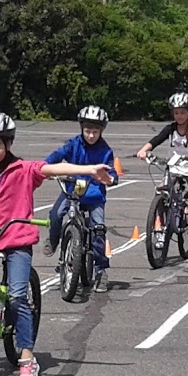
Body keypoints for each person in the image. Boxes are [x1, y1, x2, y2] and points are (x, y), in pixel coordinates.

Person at [0, 111, 114, 376]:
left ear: (8, 144)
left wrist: (89, 169)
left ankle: (27, 356)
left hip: (18, 241)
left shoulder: (23, 170)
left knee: (16, 296)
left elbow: (53, 169)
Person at [135, 92, 188, 258]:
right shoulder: (171, 129)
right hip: (174, 167)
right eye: (176, 112)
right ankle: (159, 230)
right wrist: (144, 150)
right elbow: (156, 139)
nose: (179, 116)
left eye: (182, 112)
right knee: (161, 193)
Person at [46, 105, 119, 292]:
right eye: (87, 131)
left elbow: (112, 171)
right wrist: (44, 166)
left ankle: (101, 270)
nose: (91, 135)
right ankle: (54, 240)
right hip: (72, 191)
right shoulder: (74, 144)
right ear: (81, 129)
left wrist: (111, 179)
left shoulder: (105, 151)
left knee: (99, 229)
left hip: (94, 195)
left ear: (101, 131)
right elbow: (58, 155)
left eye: (95, 131)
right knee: (56, 214)